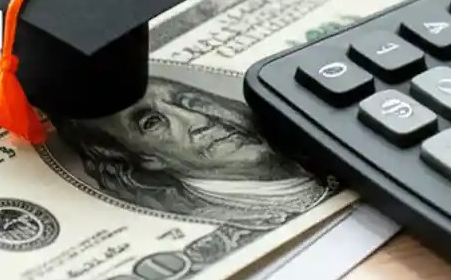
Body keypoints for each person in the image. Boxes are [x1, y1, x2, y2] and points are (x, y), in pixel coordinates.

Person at [52, 76, 326, 229]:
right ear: (146, 159)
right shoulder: (221, 220)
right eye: (152, 123)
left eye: (189, 101)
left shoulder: (308, 141)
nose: (198, 120)